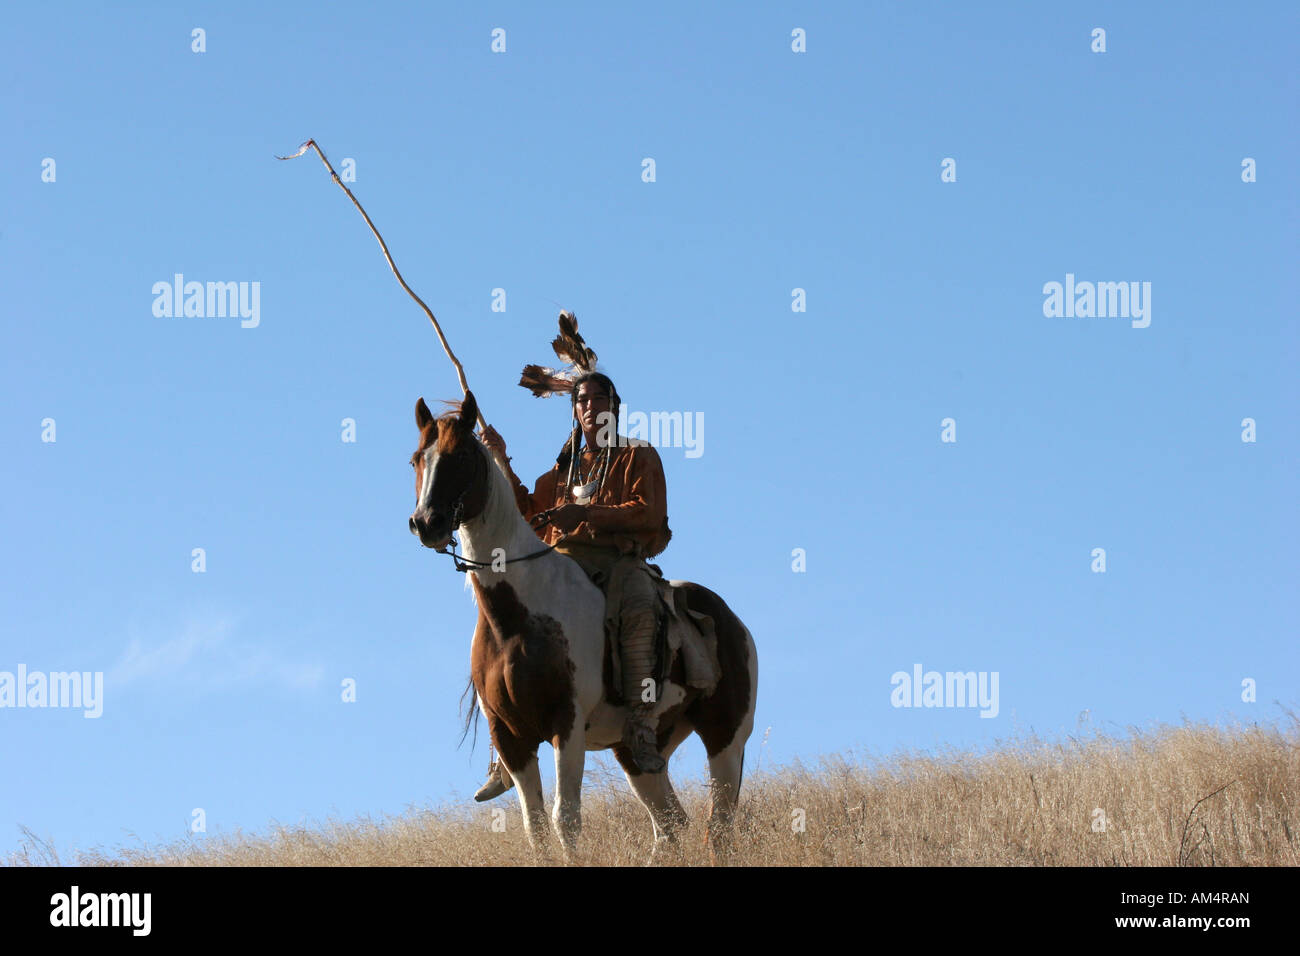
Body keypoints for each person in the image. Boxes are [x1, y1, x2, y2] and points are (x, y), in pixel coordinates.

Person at [474, 372, 672, 799]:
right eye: (581, 399)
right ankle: (503, 743)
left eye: (597, 397)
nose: (588, 405)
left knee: (638, 606)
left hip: (618, 561)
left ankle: (640, 724)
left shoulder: (639, 455)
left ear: (614, 406)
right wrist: (501, 459)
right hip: (563, 563)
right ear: (575, 411)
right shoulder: (564, 471)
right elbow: (526, 512)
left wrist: (585, 516)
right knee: (503, 613)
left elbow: (648, 512)